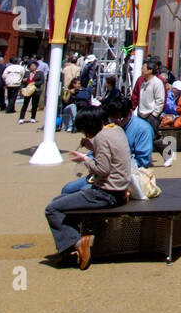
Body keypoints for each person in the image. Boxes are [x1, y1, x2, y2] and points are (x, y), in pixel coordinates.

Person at [43, 106, 131, 270]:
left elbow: (102, 169)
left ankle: (77, 244)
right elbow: (113, 154)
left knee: (52, 208)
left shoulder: (101, 137)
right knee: (61, 202)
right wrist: (92, 148)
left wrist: (84, 159)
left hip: (105, 193)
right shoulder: (116, 129)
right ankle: (68, 250)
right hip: (119, 190)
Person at [136, 58, 167, 146]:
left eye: (143, 68)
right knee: (143, 138)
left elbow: (160, 100)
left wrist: (154, 114)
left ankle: (167, 152)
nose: (142, 70)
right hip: (142, 114)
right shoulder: (142, 82)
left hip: (151, 115)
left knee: (153, 138)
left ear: (150, 70)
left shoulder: (157, 82)